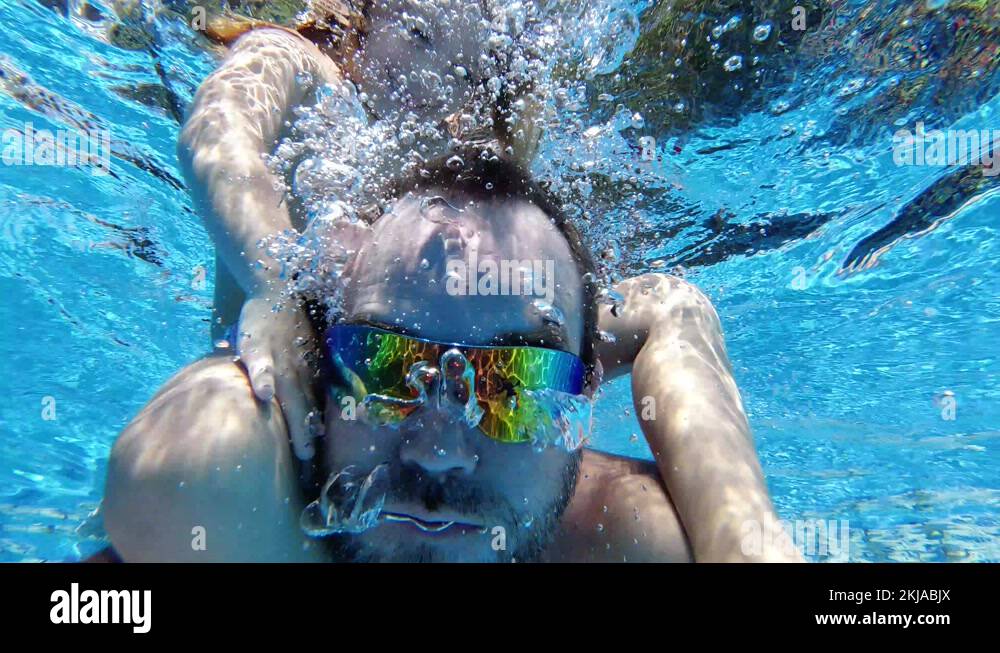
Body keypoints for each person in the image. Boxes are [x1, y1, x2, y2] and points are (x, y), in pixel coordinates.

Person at [102, 153, 800, 562]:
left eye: (516, 384)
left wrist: (746, 541)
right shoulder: (202, 494)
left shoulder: (632, 542)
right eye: (381, 364)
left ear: (584, 405)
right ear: (319, 370)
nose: (439, 451)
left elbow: (672, 306)